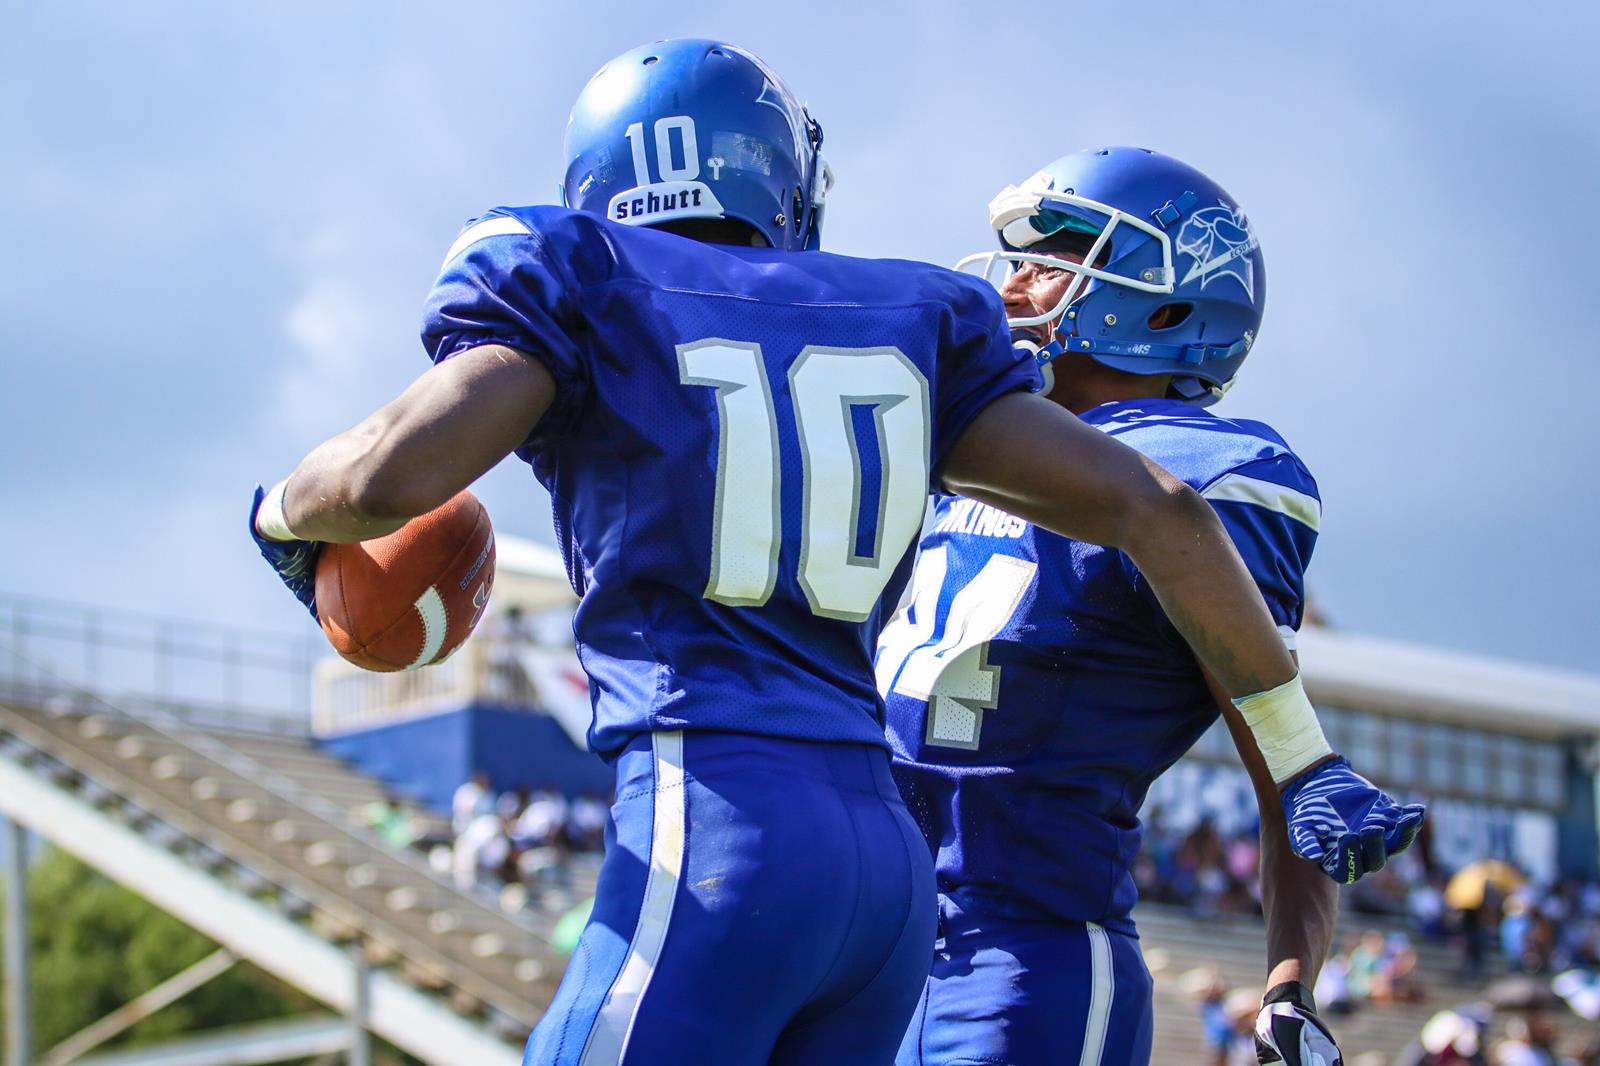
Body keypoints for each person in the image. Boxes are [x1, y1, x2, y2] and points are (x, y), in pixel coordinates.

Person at [250, 42, 1419, 1066]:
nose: (1009, 274)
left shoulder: (1191, 467)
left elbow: (1262, 712)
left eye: (1054, 252)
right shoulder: (933, 378)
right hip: (887, 892)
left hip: (905, 890)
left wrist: (1290, 960)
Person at [879, 148, 1422, 1066]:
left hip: (1026, 956)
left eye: (1054, 259)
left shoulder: (1209, 472)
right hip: (873, 941)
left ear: (1166, 303)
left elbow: (1285, 764)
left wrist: (1289, 985)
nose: (1015, 283)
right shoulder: (971, 446)